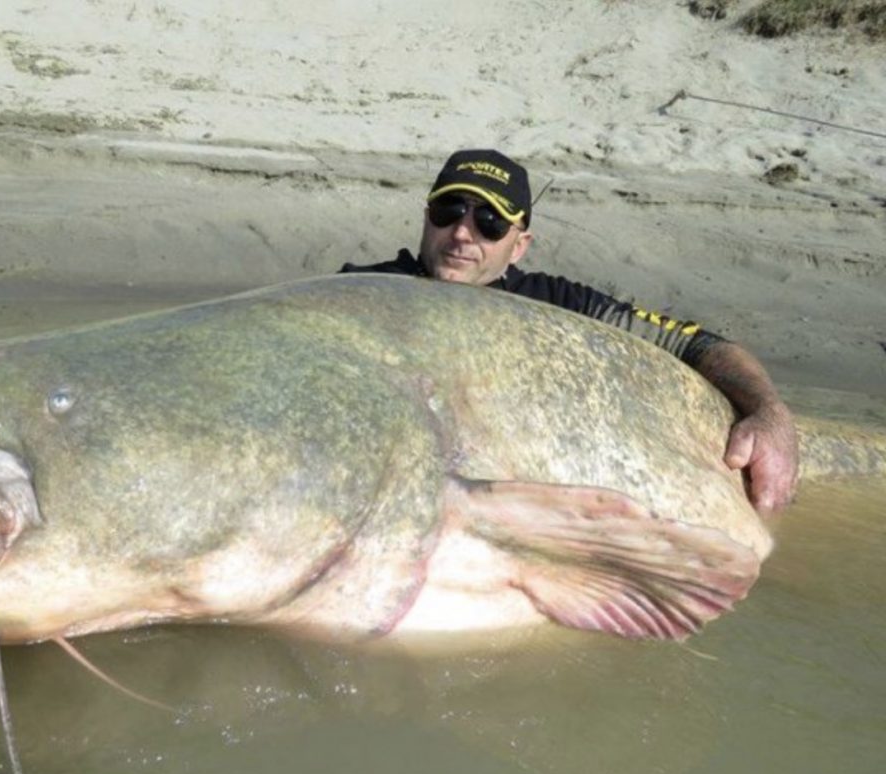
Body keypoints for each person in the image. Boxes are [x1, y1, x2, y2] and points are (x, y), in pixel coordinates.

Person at [339, 149, 798, 513]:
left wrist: (769, 413)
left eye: (489, 222)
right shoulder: (358, 292)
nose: (462, 233)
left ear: (519, 246)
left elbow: (695, 342)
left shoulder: (560, 304)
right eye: (449, 210)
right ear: (427, 218)